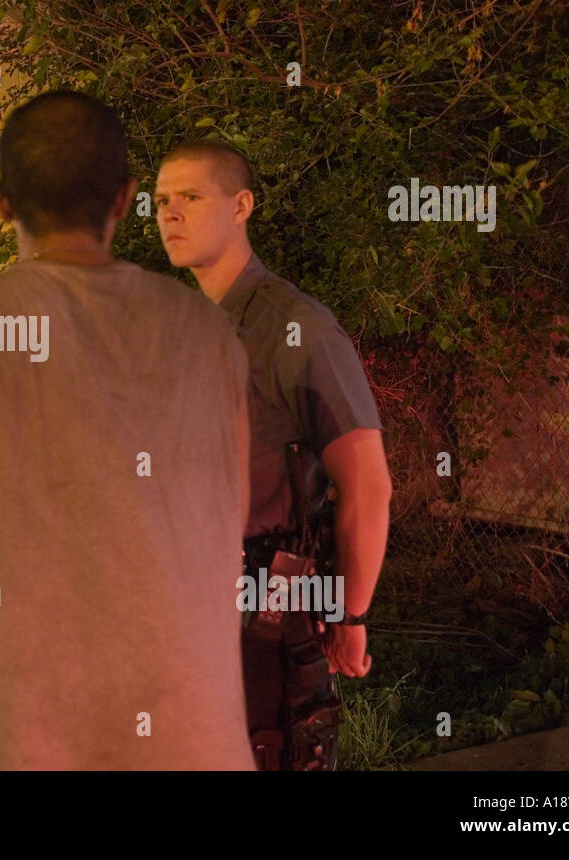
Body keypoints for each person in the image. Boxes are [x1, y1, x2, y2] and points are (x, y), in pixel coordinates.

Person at [0, 91, 256, 770]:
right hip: (188, 728)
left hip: (14, 732)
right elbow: (232, 513)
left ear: (2, 201)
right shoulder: (209, 330)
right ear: (124, 198)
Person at [155, 139, 393, 770]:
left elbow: (367, 486)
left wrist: (351, 613)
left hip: (269, 613)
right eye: (161, 201)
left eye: (190, 197)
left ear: (241, 206)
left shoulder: (297, 329)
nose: (169, 213)